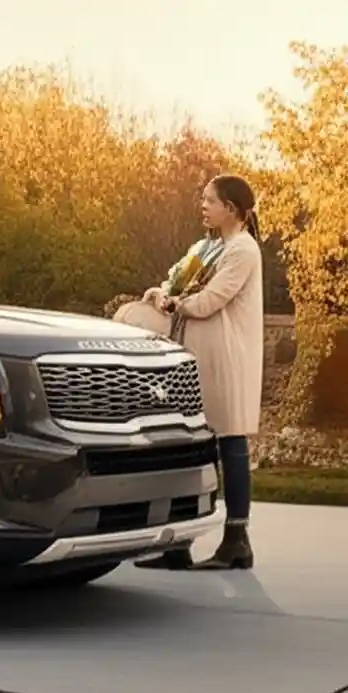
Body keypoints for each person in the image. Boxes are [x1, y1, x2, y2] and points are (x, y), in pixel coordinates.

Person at [115, 174, 265, 570]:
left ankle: (237, 541)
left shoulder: (243, 249)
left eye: (209, 200)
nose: (203, 206)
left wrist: (172, 304)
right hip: (192, 356)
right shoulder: (206, 247)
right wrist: (163, 294)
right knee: (190, 445)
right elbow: (176, 280)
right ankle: (178, 544)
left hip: (225, 358)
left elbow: (209, 301)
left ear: (230, 208)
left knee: (229, 440)